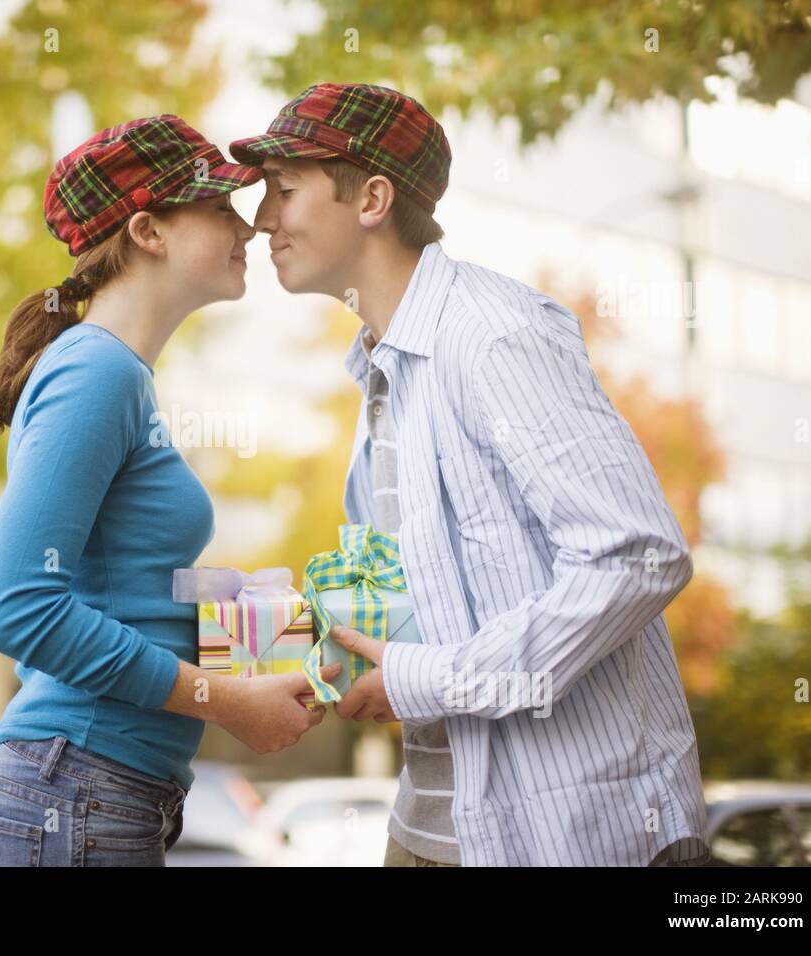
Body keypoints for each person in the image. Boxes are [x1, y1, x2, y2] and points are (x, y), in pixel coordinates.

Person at [230, 82, 711, 867]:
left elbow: (638, 557)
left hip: (566, 835)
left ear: (373, 199)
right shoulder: (380, 375)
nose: (261, 221)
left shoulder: (495, 335)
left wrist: (427, 678)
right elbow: (430, 604)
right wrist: (332, 658)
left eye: (283, 191)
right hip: (429, 829)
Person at [0, 114, 340, 867]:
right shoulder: (95, 372)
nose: (249, 227)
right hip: (72, 789)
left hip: (95, 793)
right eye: (219, 207)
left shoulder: (119, 377)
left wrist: (316, 636)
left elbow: (127, 598)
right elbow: (16, 608)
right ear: (148, 231)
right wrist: (230, 704)